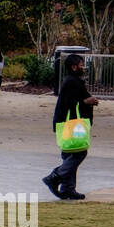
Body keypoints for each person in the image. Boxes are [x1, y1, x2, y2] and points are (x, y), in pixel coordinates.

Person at [43, 53, 99, 200]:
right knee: (79, 152)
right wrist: (87, 101)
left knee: (70, 154)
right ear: (74, 67)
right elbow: (72, 102)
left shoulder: (71, 80)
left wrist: (87, 101)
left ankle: (68, 188)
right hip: (72, 124)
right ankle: (55, 176)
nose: (83, 67)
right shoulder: (72, 82)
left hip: (65, 122)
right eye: (81, 65)